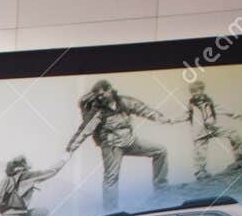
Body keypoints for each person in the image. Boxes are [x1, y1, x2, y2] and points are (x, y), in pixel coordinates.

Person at [66, 79, 170, 208]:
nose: (100, 98)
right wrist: (70, 148)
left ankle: (161, 191)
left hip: (130, 141)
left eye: (102, 94)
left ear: (109, 89)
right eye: (98, 96)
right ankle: (110, 211)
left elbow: (142, 109)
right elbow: (84, 130)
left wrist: (160, 118)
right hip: (111, 147)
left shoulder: (123, 101)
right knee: (111, 179)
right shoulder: (97, 111)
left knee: (160, 151)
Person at [185, 79, 242, 181]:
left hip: (212, 127)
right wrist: (169, 120)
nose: (195, 94)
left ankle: (240, 156)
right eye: (192, 92)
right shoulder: (190, 104)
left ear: (202, 90)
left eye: (197, 91)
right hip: (200, 132)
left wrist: (234, 114)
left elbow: (220, 108)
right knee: (200, 152)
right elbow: (183, 115)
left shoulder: (209, 100)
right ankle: (200, 172)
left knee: (233, 133)